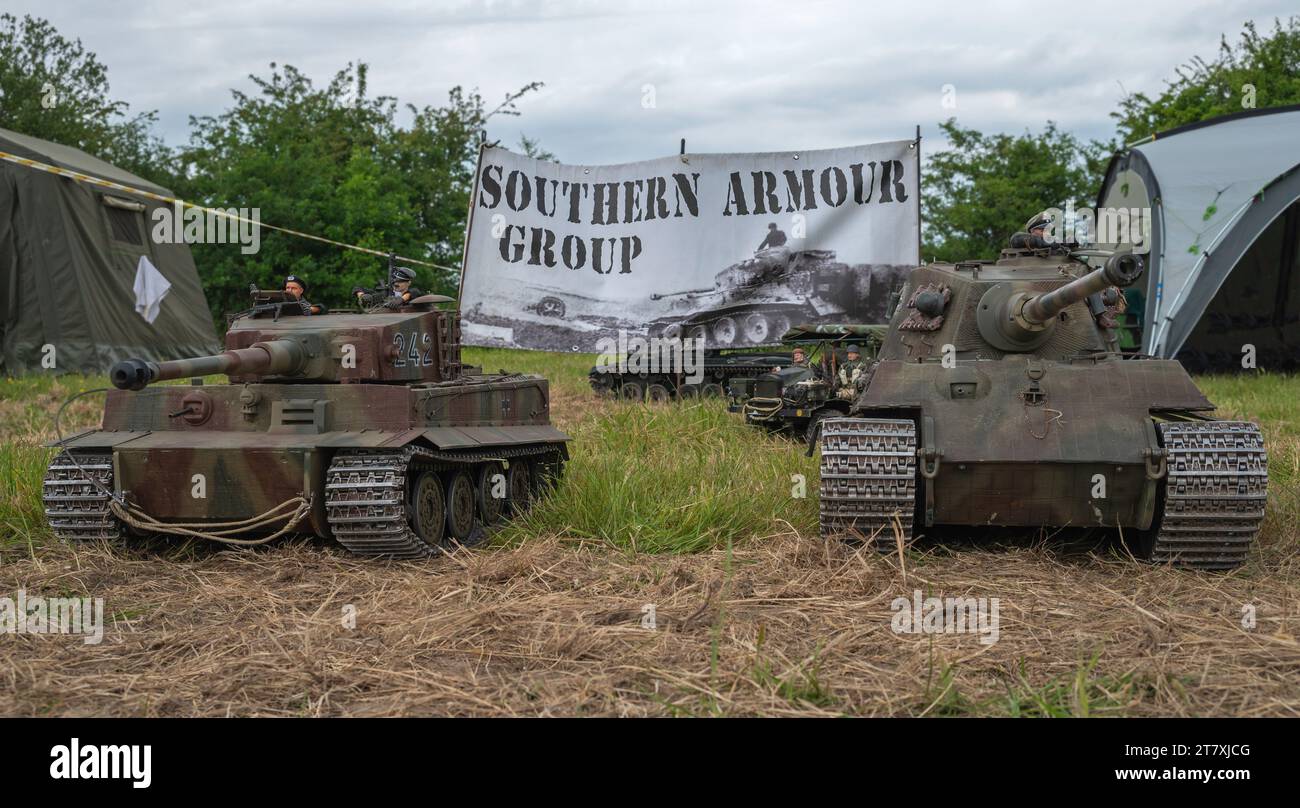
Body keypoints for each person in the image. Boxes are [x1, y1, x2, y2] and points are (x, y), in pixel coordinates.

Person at [354, 267, 424, 309]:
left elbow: (416, 292)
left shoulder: (413, 294)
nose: (396, 283)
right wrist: (361, 295)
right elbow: (358, 288)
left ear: (409, 283)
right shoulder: (385, 293)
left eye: (400, 281)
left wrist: (402, 299)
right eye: (394, 281)